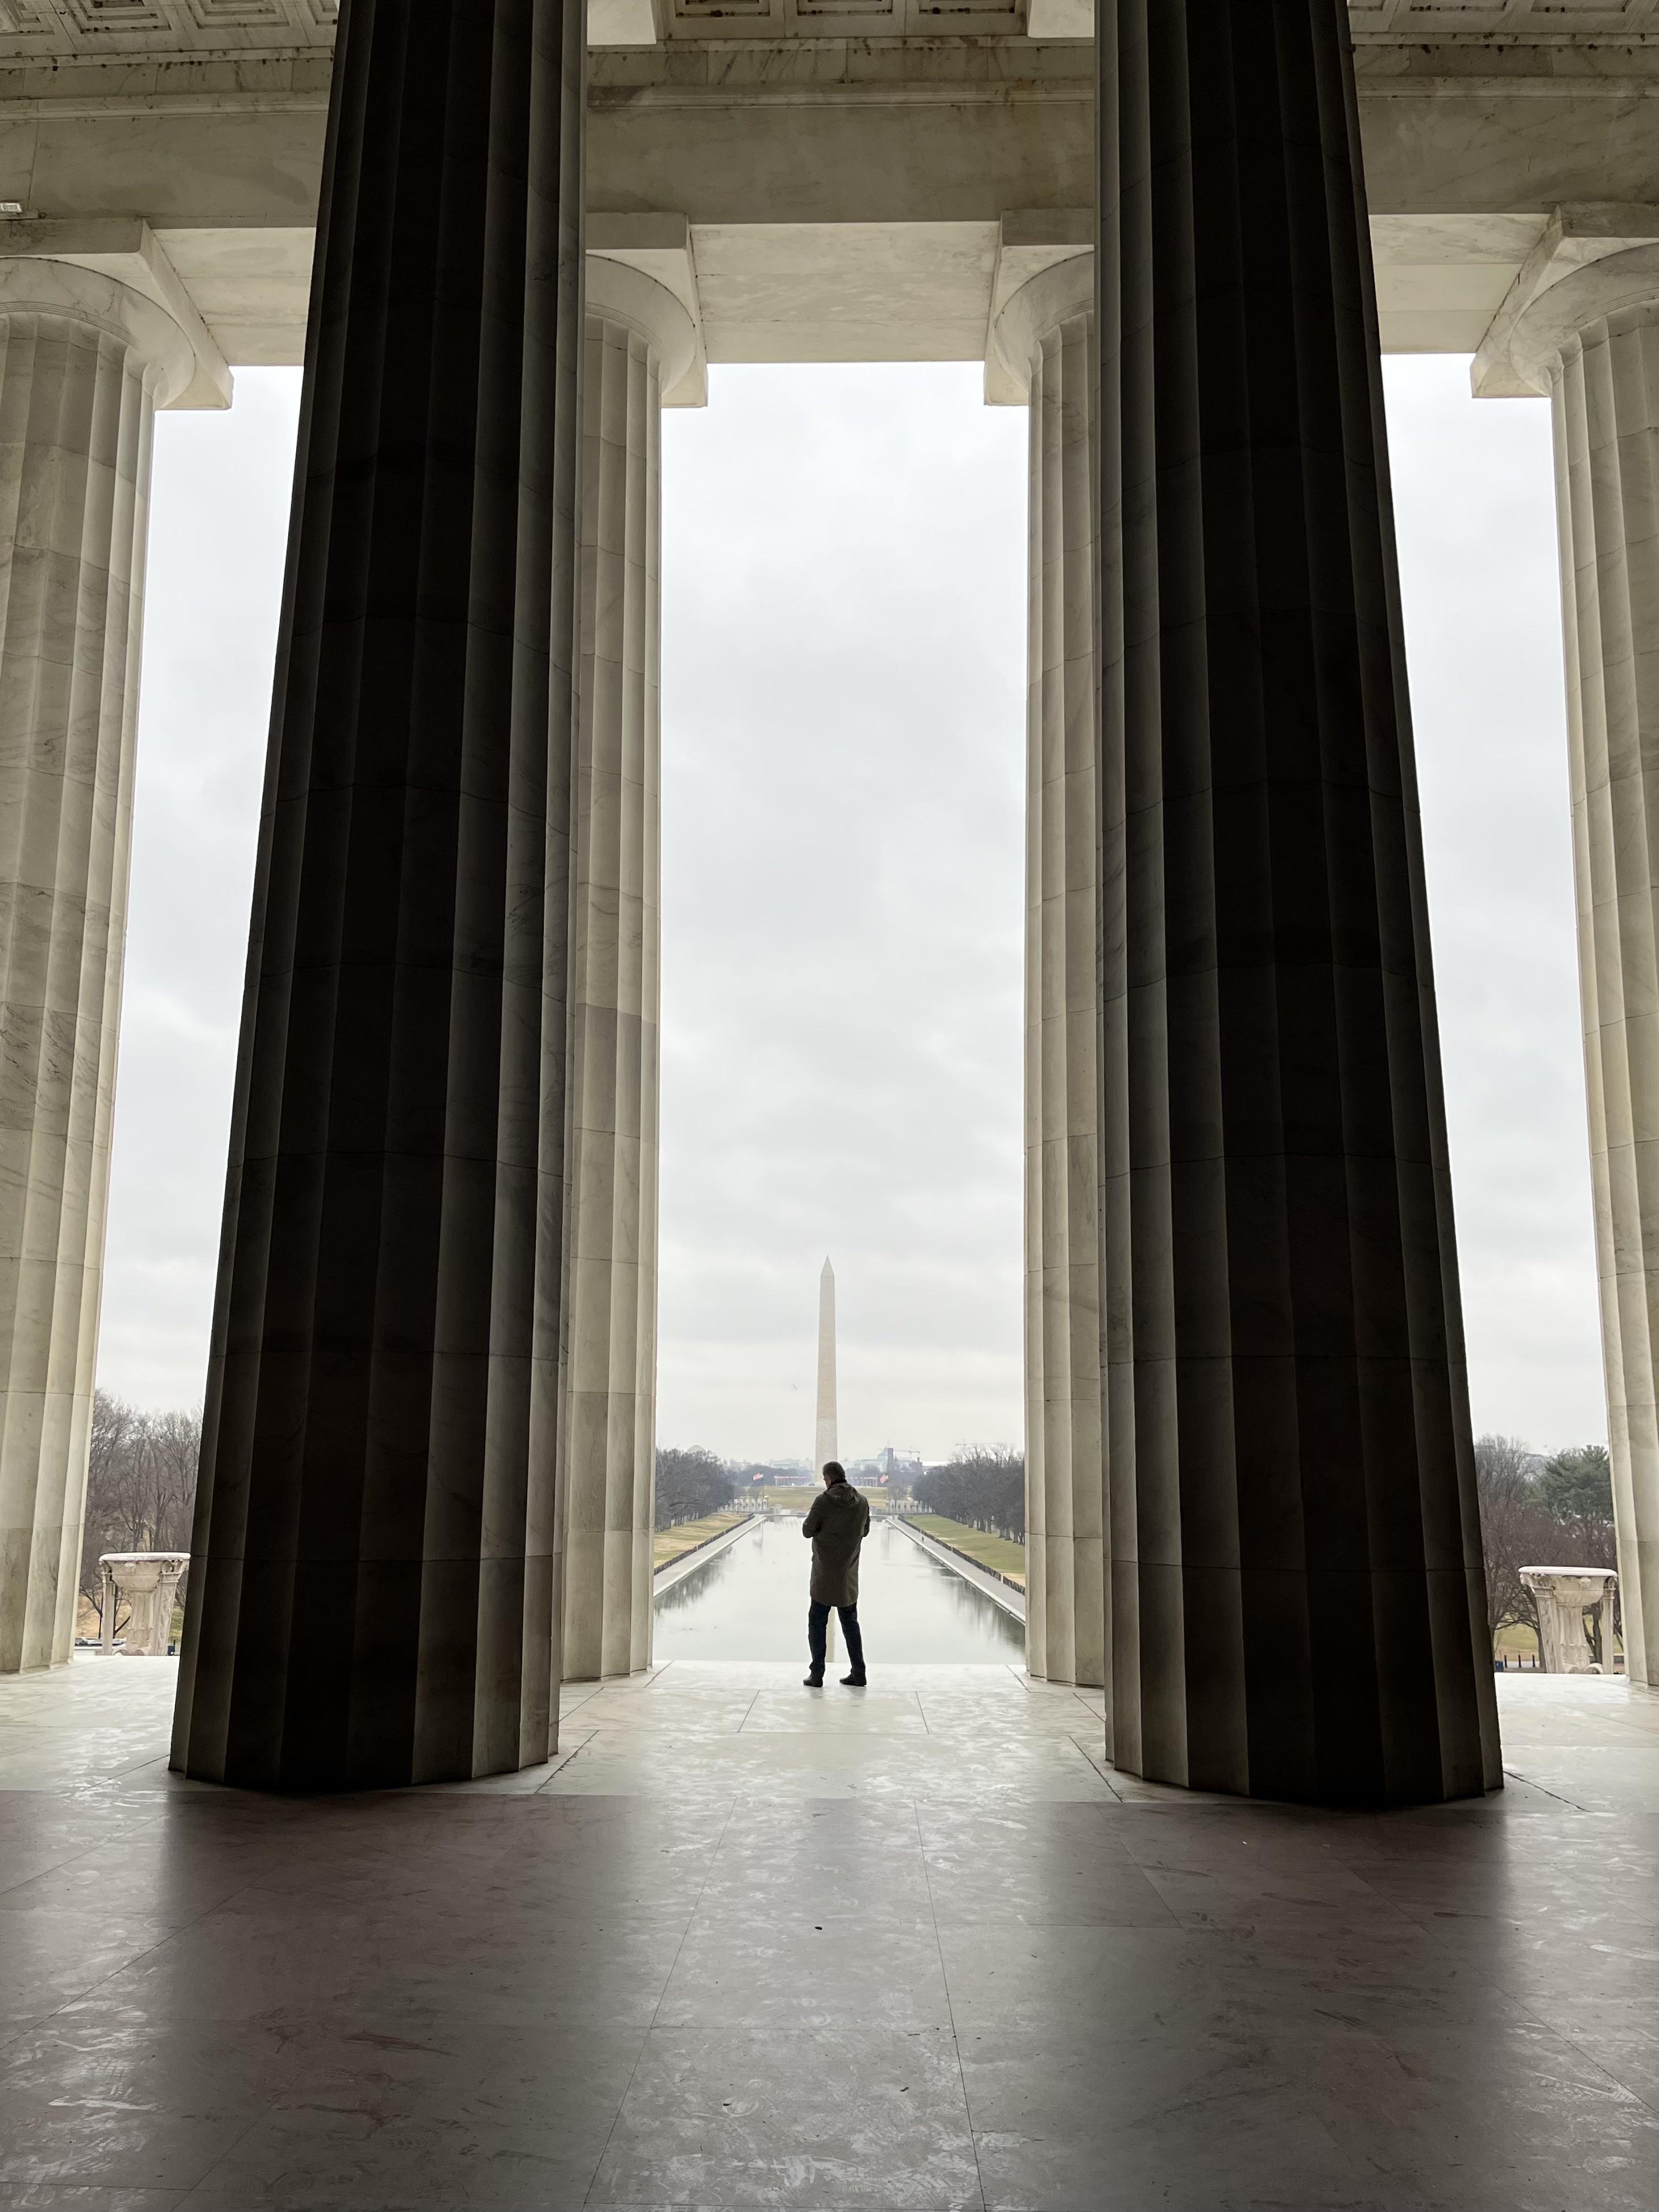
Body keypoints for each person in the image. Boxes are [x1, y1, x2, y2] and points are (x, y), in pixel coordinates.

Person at [801, 1460, 870, 1688]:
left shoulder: (823, 1501)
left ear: (828, 1479)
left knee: (817, 1623)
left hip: (824, 1575)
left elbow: (807, 1531)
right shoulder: (862, 1502)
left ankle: (817, 1674)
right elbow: (866, 1531)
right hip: (848, 1575)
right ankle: (859, 1672)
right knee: (851, 1623)